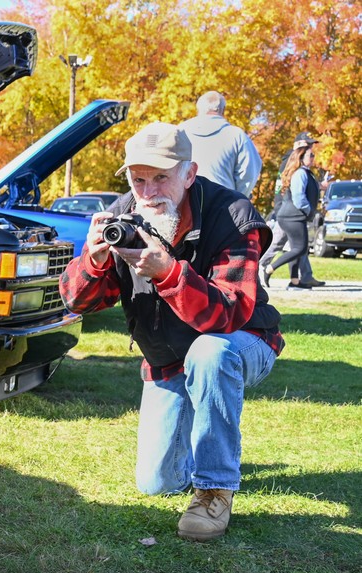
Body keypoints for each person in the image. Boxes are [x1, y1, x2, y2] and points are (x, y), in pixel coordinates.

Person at [60, 122, 283, 542]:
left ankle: (214, 489)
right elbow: (77, 302)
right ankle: (209, 449)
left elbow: (229, 314)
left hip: (244, 341)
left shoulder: (233, 215)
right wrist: (93, 260)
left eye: (161, 177)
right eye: (138, 179)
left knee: (210, 353)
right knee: (155, 483)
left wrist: (169, 273)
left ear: (189, 174)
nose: (148, 191)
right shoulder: (124, 214)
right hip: (169, 359)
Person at [263, 136, 324, 289]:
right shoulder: (300, 173)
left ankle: (295, 282)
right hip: (292, 215)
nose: (313, 157)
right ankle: (268, 269)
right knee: (299, 248)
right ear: (301, 157)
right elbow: (299, 197)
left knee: (296, 248)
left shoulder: (304, 172)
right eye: (310, 154)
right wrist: (309, 211)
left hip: (291, 215)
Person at [178, 91, 262, 198]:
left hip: (185, 202)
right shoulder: (236, 135)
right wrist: (236, 198)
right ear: (223, 110)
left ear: (199, 110)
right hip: (222, 204)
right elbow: (249, 174)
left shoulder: (180, 131)